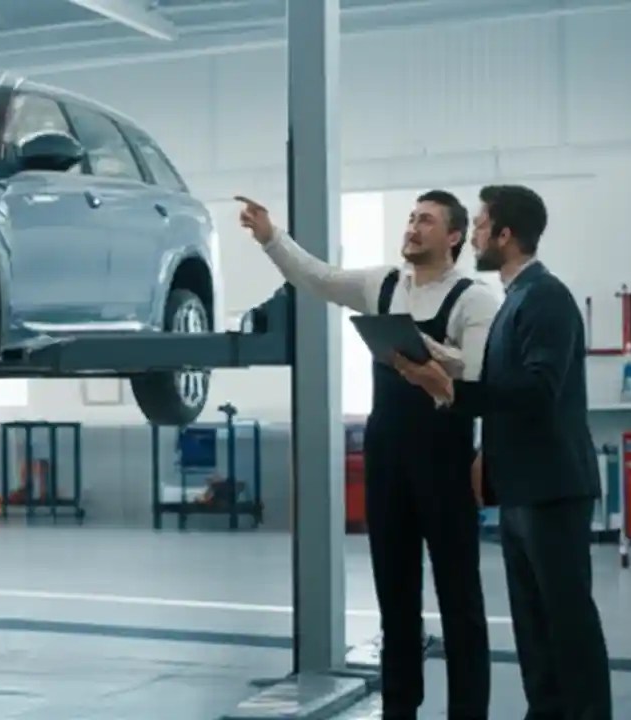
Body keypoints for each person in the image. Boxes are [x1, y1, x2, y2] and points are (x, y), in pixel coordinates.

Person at [236, 191, 497, 720]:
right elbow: (319, 278)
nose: (413, 227)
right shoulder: (384, 284)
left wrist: (426, 351)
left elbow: (477, 376)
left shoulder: (475, 299)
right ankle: (399, 708)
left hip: (445, 462)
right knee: (395, 599)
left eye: (427, 221)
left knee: (460, 601)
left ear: (453, 237)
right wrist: (271, 238)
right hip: (388, 460)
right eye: (411, 218)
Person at [394, 184, 612, 720]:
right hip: (520, 488)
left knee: (567, 625)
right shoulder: (516, 299)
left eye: (481, 225)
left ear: (506, 235)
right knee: (535, 629)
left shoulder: (546, 298)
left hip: (551, 489)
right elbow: (508, 384)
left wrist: (451, 390)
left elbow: (538, 390)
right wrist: (482, 448)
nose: (475, 235)